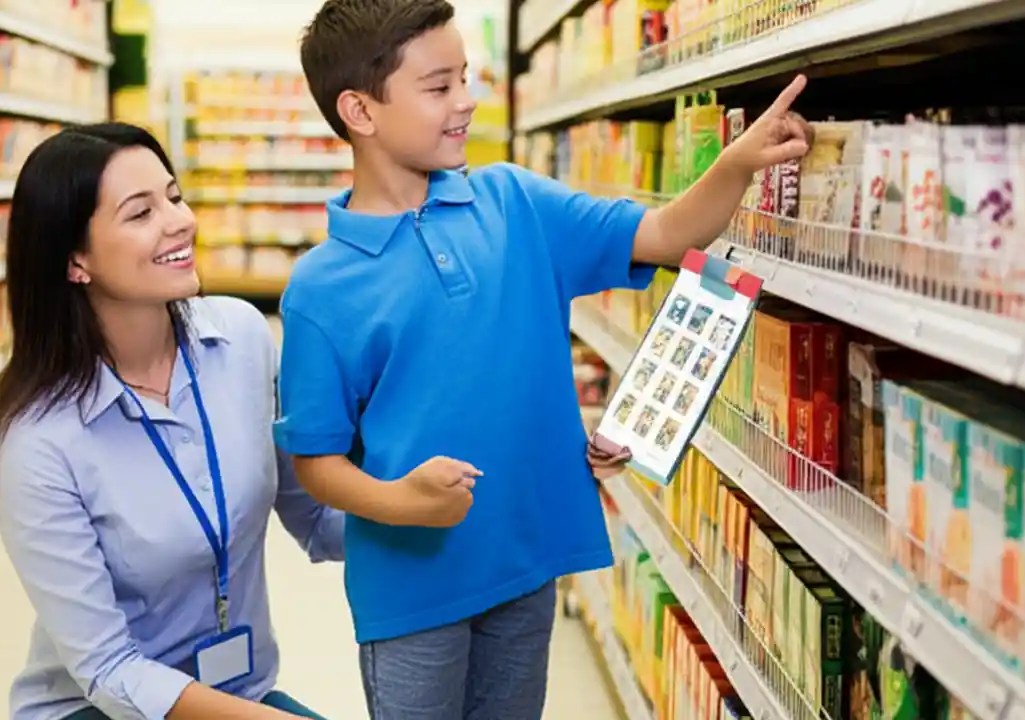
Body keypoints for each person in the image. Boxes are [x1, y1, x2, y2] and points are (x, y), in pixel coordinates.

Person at [274, 1, 814, 718]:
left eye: (466, 77)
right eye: (439, 87)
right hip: (411, 593)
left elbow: (662, 233)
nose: (466, 101)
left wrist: (736, 165)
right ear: (360, 111)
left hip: (526, 564)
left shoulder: (513, 203)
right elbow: (316, 463)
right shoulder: (320, 288)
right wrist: (403, 499)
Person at [0, 122, 344, 720]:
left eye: (174, 196)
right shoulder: (38, 442)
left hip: (236, 693)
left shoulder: (242, 340)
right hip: (98, 708)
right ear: (75, 260)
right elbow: (108, 671)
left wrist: (421, 506)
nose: (180, 221)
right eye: (140, 212)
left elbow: (318, 515)